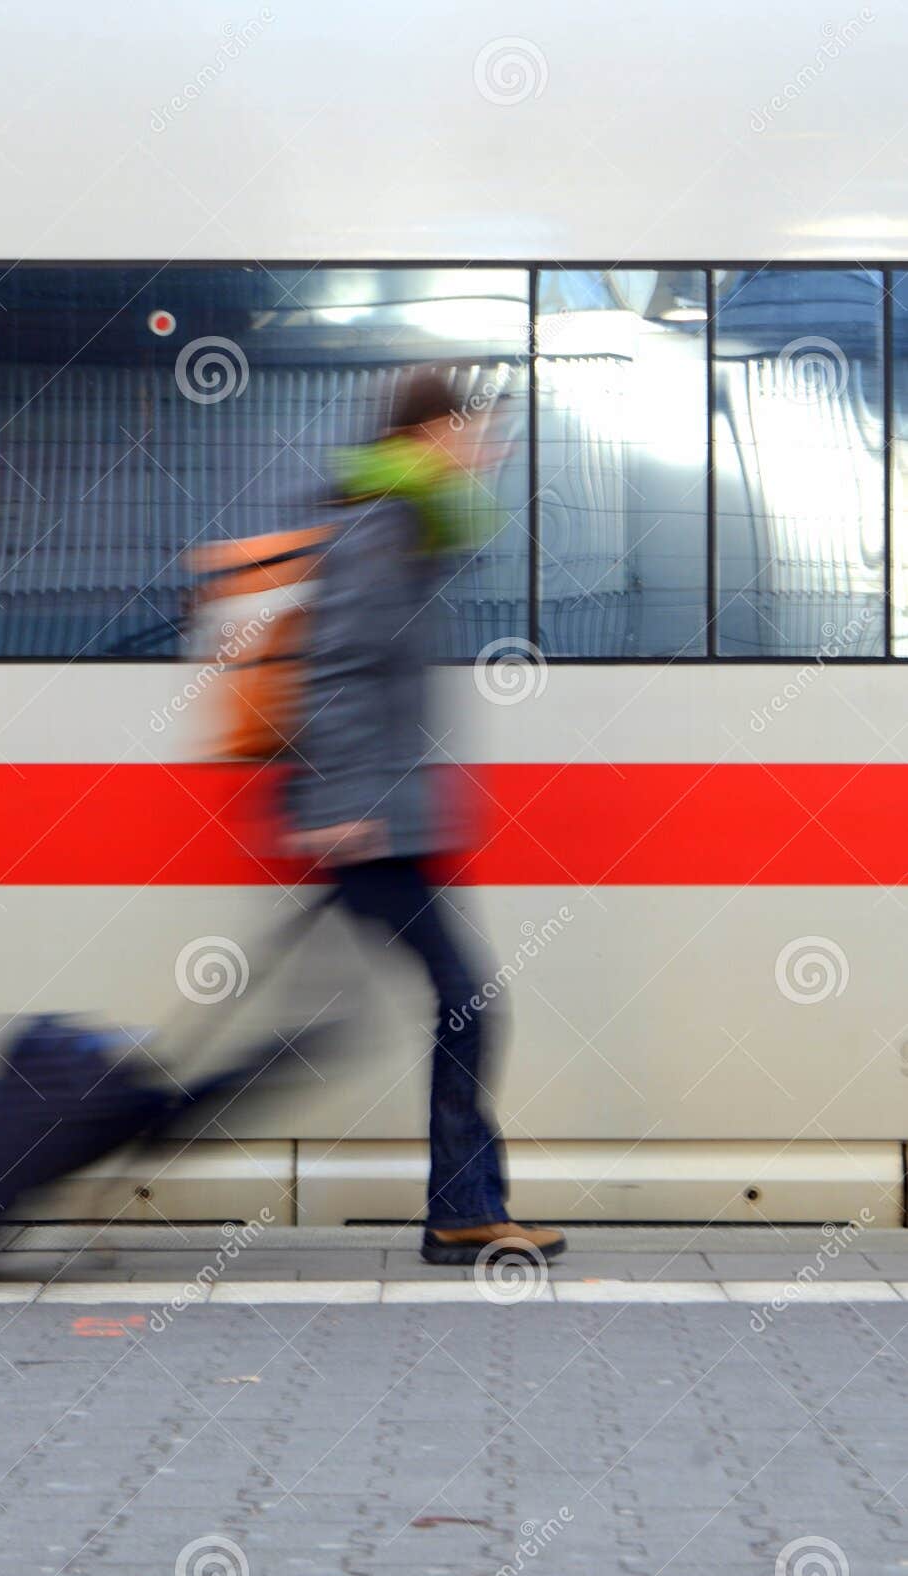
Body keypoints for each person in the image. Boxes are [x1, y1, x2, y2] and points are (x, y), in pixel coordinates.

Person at [286, 369, 566, 1267]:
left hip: (388, 820)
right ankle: (461, 1211)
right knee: (465, 1000)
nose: (492, 451)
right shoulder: (380, 529)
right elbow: (333, 672)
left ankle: (463, 1207)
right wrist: (338, 808)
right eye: (479, 432)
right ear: (432, 432)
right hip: (365, 824)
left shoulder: (405, 526)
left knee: (451, 1001)